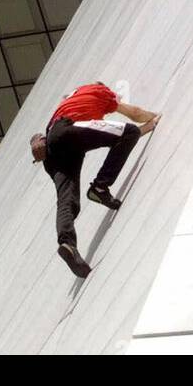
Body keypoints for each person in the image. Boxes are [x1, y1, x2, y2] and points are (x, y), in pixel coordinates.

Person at [29, 81, 161, 278]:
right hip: (67, 131)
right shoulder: (101, 91)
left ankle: (67, 244)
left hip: (53, 150)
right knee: (130, 130)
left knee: (67, 200)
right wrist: (154, 117)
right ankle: (100, 187)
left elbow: (119, 137)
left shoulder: (71, 99)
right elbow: (134, 114)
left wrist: (146, 129)